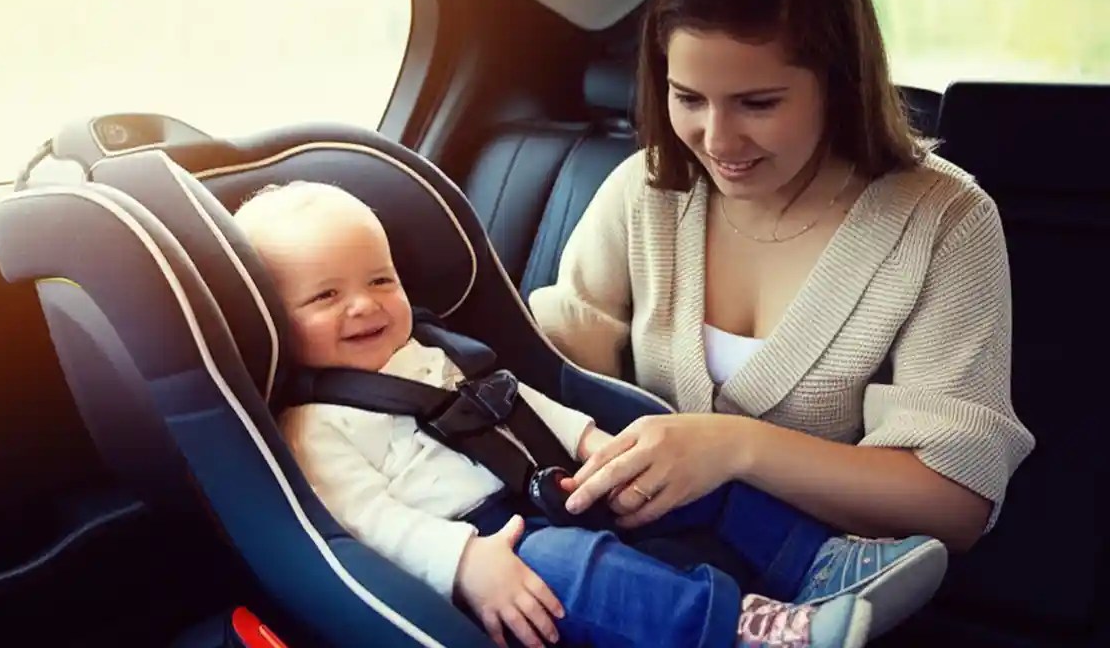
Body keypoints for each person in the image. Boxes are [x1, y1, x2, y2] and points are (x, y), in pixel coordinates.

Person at [527, 0, 1036, 639]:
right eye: (687, 98)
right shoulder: (648, 188)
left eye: (758, 103)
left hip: (819, 608)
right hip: (624, 572)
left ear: (840, 81)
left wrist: (735, 446)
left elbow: (955, 504)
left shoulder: (945, 222)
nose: (716, 141)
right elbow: (547, 350)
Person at [232, 180, 941, 648]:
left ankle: (822, 560)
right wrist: (466, 564)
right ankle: (752, 631)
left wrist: (594, 439)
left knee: (680, 475)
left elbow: (517, 399)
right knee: (572, 564)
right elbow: (370, 525)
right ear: (271, 322)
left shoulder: (432, 352)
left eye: (379, 280)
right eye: (324, 298)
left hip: (557, 476)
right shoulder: (312, 425)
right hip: (488, 540)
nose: (363, 305)